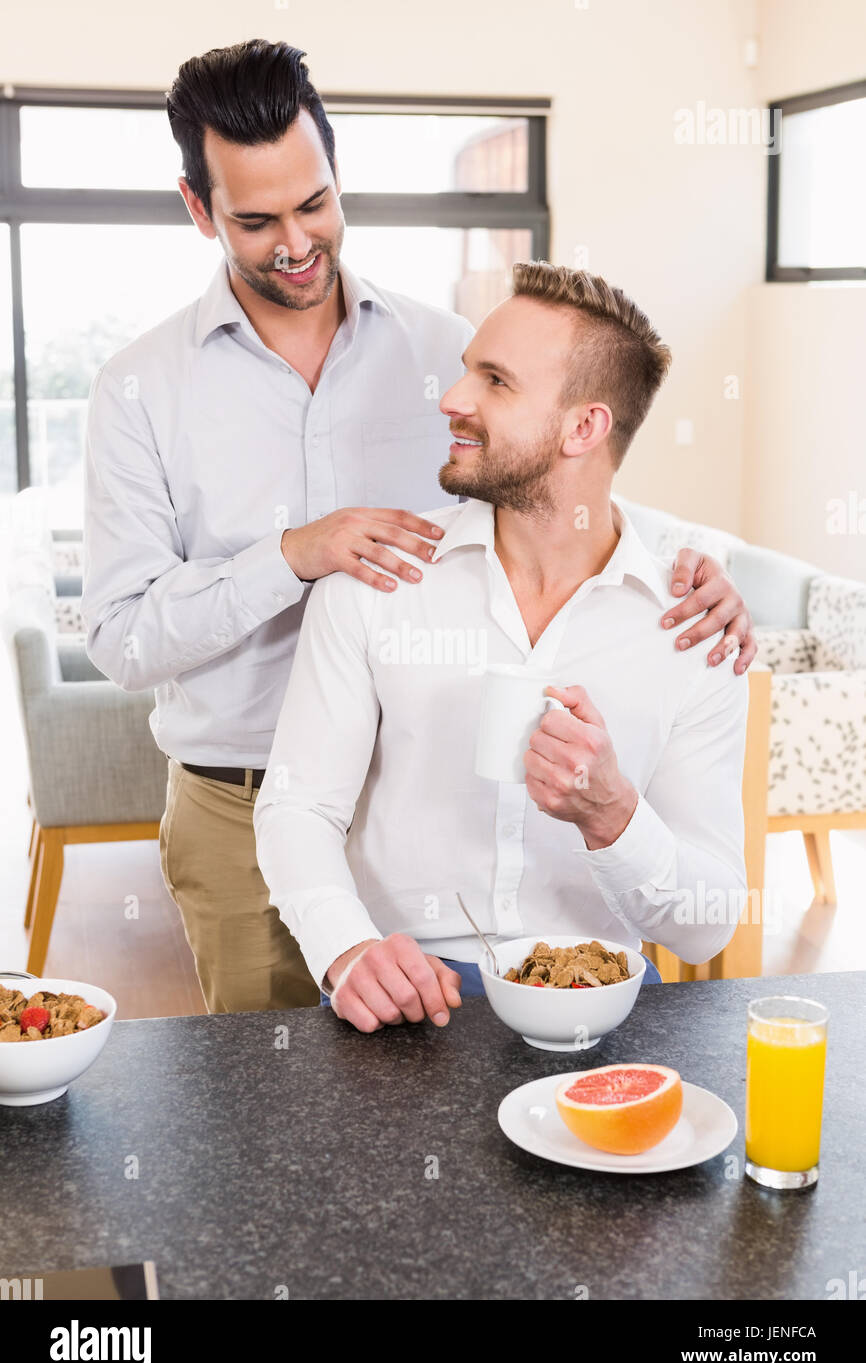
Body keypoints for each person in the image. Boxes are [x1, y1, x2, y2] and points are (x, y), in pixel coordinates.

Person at [82, 38, 753, 1017]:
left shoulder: (441, 348)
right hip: (243, 801)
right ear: (199, 209)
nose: (297, 240)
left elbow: (553, 472)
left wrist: (694, 566)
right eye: (257, 220)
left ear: (336, 178)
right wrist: (291, 556)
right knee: (280, 1106)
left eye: (314, 203)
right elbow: (122, 638)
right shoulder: (140, 390)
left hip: (412, 787)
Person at [254, 263, 750, 1034]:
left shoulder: (691, 631)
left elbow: (707, 922)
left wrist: (614, 816)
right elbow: (298, 805)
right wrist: (347, 951)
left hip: (603, 996)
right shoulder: (378, 579)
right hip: (411, 990)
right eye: (465, 372)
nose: (453, 399)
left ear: (582, 428)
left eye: (496, 381)